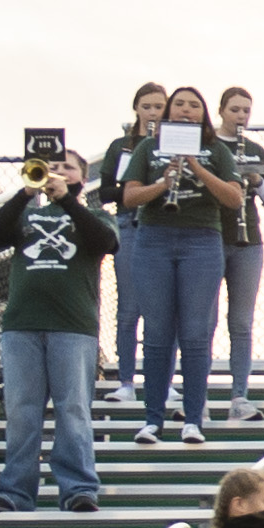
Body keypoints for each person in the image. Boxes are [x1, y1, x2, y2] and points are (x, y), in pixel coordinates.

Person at [0, 145, 116, 512]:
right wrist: (26, 192)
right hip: (22, 325)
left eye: (67, 168)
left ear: (82, 178)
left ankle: (78, 488)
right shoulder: (25, 214)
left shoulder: (96, 215)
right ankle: (15, 491)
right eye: (50, 167)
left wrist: (69, 202)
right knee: (22, 411)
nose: (57, 172)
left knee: (72, 410)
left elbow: (106, 243)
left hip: (73, 326)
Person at [114, 84, 244, 445]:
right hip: (154, 239)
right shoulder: (149, 147)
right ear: (169, 111)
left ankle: (192, 420)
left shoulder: (216, 149)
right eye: (180, 104)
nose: (186, 110)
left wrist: (197, 169)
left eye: (193, 105)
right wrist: (163, 183)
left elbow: (233, 198)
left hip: (201, 241)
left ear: (203, 113)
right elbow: (129, 196)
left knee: (194, 333)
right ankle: (152, 420)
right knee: (156, 333)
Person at [87, 79, 165, 406]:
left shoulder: (177, 143)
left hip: (164, 227)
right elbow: (104, 192)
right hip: (129, 225)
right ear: (136, 109)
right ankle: (126, 381)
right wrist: (135, 190)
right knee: (129, 308)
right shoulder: (121, 145)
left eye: (159, 107)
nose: (152, 113)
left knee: (162, 310)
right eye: (146, 106)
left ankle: (162, 381)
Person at [211, 85, 264, 422]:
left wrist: (257, 181)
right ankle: (196, 396)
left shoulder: (254, 150)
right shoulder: (208, 146)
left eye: (245, 111)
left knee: (240, 322)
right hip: (210, 238)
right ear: (221, 110)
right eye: (234, 110)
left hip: (248, 241)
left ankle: (239, 395)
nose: (240, 117)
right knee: (202, 321)